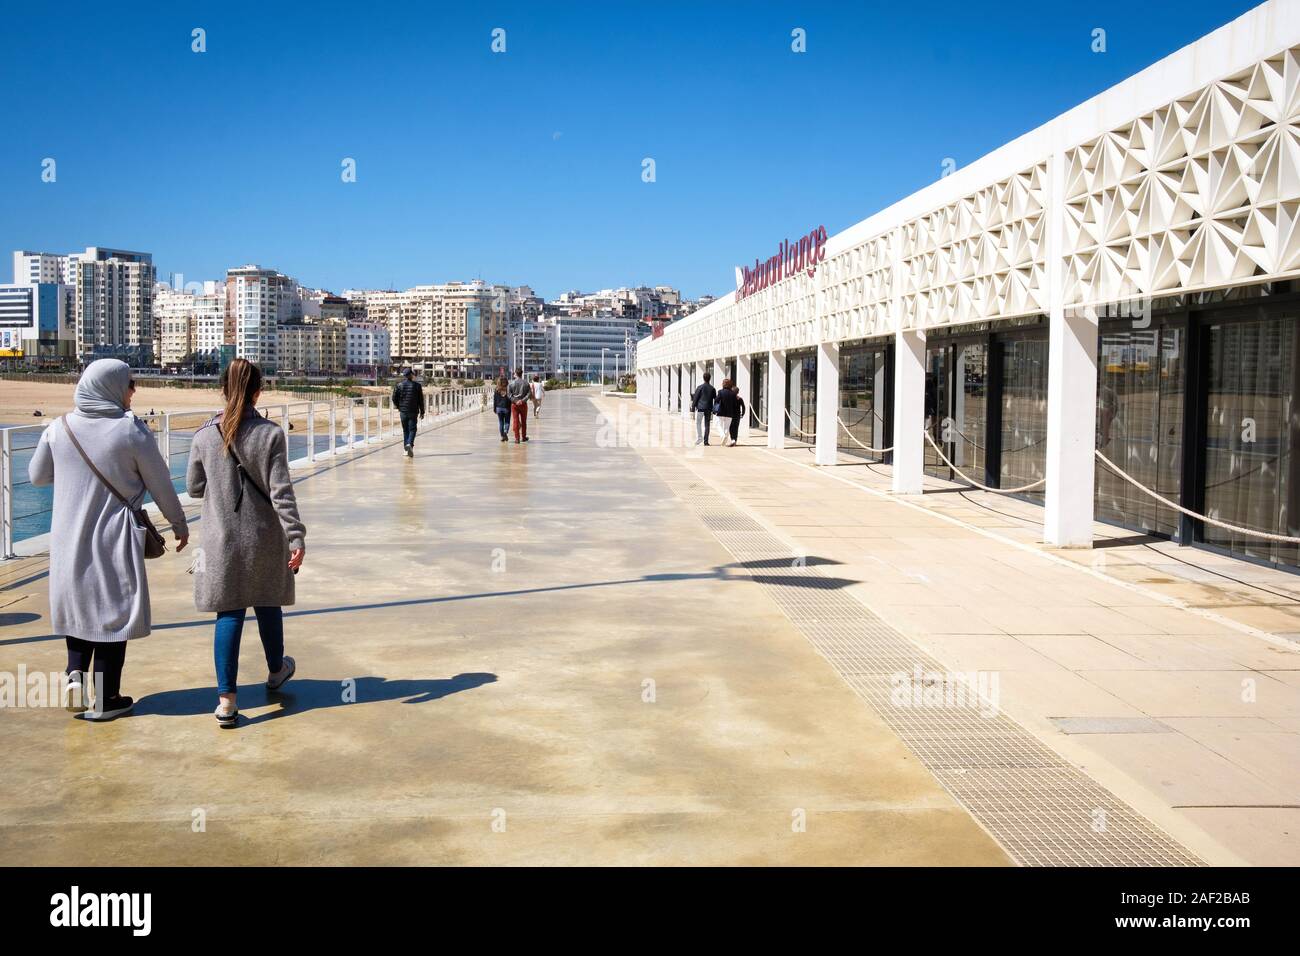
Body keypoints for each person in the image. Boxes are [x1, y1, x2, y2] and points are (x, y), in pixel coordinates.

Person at [28, 359, 190, 721]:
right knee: (114, 614)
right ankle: (106, 699)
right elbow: (160, 482)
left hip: (68, 538)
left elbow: (37, 476)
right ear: (111, 386)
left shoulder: (59, 428)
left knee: (80, 607)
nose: (134, 390)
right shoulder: (130, 430)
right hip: (114, 536)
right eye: (130, 383)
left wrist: (73, 475)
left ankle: (75, 675)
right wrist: (178, 523)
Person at [187, 358, 306, 728]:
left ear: (223, 389)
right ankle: (276, 670)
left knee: (230, 612)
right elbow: (281, 492)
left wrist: (221, 481)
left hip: (220, 539)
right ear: (258, 391)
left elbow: (194, 487)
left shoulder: (204, 435)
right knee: (268, 602)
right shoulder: (270, 434)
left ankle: (227, 702)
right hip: (264, 537)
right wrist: (296, 535)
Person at [391, 367, 426, 458]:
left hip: (403, 411)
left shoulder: (399, 385)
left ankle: (406, 450)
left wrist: (399, 406)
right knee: (412, 429)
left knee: (405, 430)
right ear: (410, 375)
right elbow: (421, 400)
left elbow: (394, 398)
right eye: (412, 374)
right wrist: (422, 411)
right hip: (413, 411)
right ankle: (409, 444)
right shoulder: (417, 386)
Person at [716, 378, 746, 447]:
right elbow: (735, 404)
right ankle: (729, 440)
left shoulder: (720, 392)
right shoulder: (733, 394)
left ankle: (723, 436)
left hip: (721, 412)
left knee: (719, 425)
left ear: (723, 384)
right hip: (730, 414)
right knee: (727, 427)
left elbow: (716, 400)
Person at [691, 371, 717, 446]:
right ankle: (706, 441)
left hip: (700, 408)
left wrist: (693, 409)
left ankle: (700, 438)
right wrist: (715, 409)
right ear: (710, 378)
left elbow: (695, 398)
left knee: (698, 423)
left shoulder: (700, 387)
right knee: (707, 424)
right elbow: (715, 399)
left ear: (703, 378)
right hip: (708, 408)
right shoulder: (712, 388)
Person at [506, 370, 531, 443]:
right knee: (524, 421)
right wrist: (522, 400)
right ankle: (524, 437)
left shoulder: (511, 383)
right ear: (521, 374)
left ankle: (517, 438)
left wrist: (516, 401)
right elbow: (529, 394)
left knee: (516, 421)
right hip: (523, 404)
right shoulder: (526, 383)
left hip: (514, 404)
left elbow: (509, 395)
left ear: (515, 374)